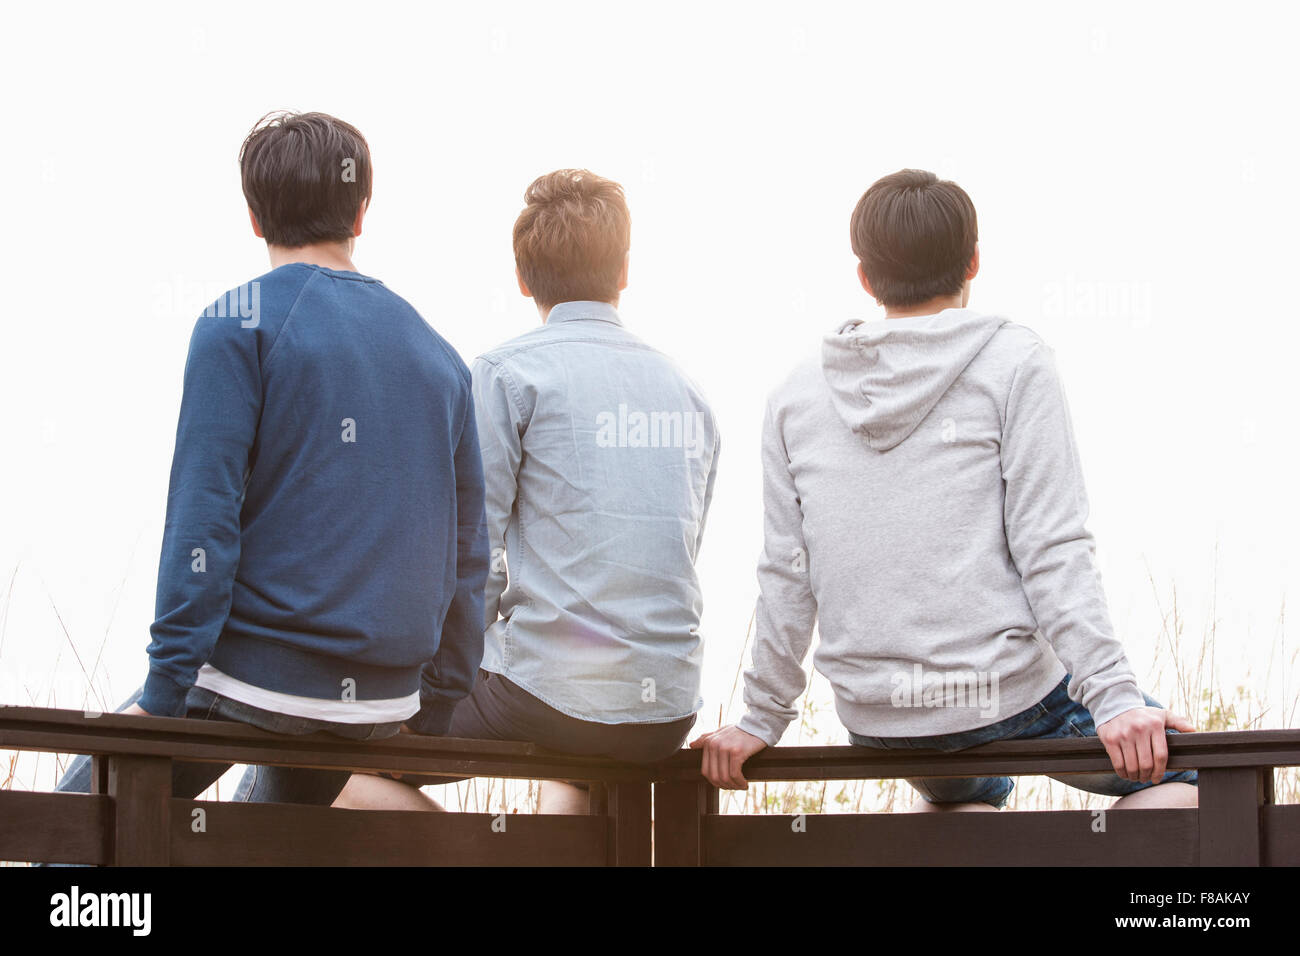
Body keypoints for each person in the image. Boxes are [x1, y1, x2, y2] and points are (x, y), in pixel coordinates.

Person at [692, 169, 1198, 811]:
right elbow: (1052, 547)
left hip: (880, 724)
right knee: (1199, 782)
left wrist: (760, 717)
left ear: (866, 279)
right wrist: (1116, 699)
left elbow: (787, 574)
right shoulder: (1015, 362)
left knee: (969, 797)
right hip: (1004, 699)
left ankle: (967, 811)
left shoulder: (796, 395)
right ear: (975, 262)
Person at [50, 110, 488, 810]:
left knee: (57, 827)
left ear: (254, 216)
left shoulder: (238, 321)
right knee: (261, 845)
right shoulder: (441, 358)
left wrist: (164, 695)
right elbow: (469, 553)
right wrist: (433, 705)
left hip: (253, 679)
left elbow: (203, 519)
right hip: (376, 702)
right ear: (362, 212)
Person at [332, 169, 719, 813]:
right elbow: (679, 545)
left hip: (548, 697)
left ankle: (464, 859)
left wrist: (451, 683)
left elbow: (470, 553)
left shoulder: (509, 373)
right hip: (666, 709)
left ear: (522, 279)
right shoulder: (688, 392)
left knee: (337, 768)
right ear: (624, 271)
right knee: (576, 778)